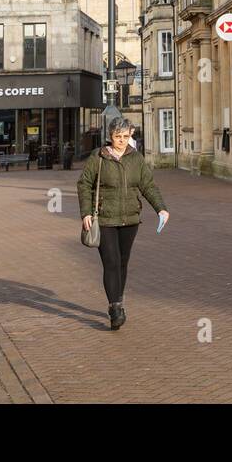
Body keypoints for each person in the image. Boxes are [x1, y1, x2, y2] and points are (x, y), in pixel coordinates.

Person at [78, 116, 170, 330]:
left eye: (125, 136)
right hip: (105, 218)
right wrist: (85, 213)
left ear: (131, 136)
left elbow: (148, 185)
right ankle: (115, 307)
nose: (121, 140)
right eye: (117, 136)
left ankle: (118, 298)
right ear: (110, 136)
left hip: (130, 218)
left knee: (122, 262)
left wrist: (161, 208)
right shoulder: (98, 157)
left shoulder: (136, 158)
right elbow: (84, 184)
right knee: (111, 261)